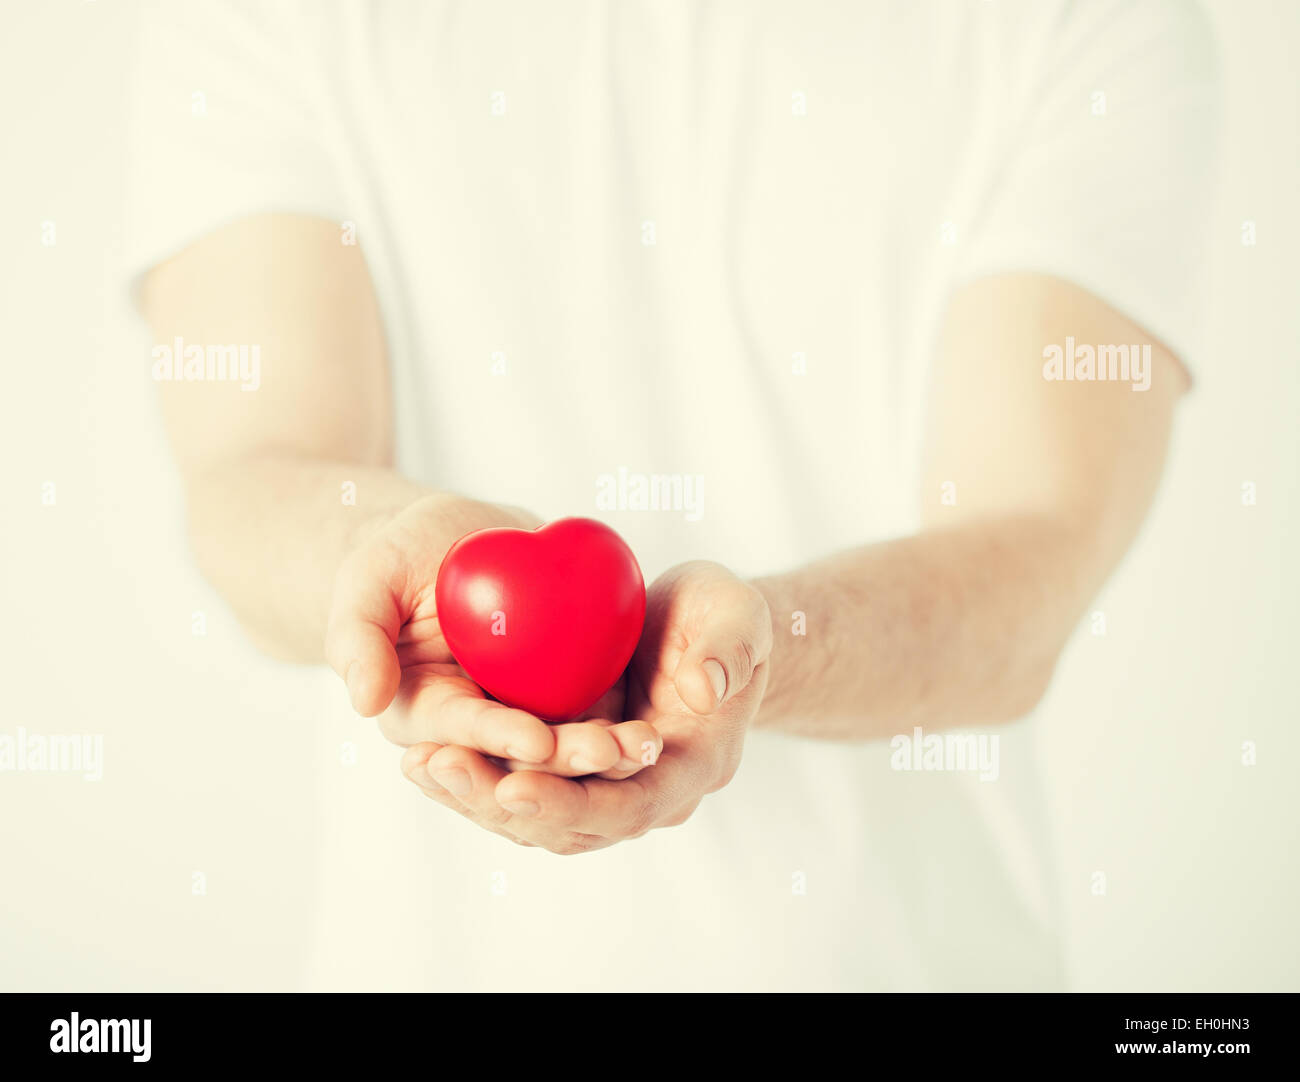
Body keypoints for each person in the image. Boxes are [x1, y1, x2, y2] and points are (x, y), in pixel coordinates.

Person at [127, 0, 1219, 990]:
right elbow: (252, 470)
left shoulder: (1085, 20)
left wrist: (765, 649)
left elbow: (1031, 554)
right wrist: (396, 564)